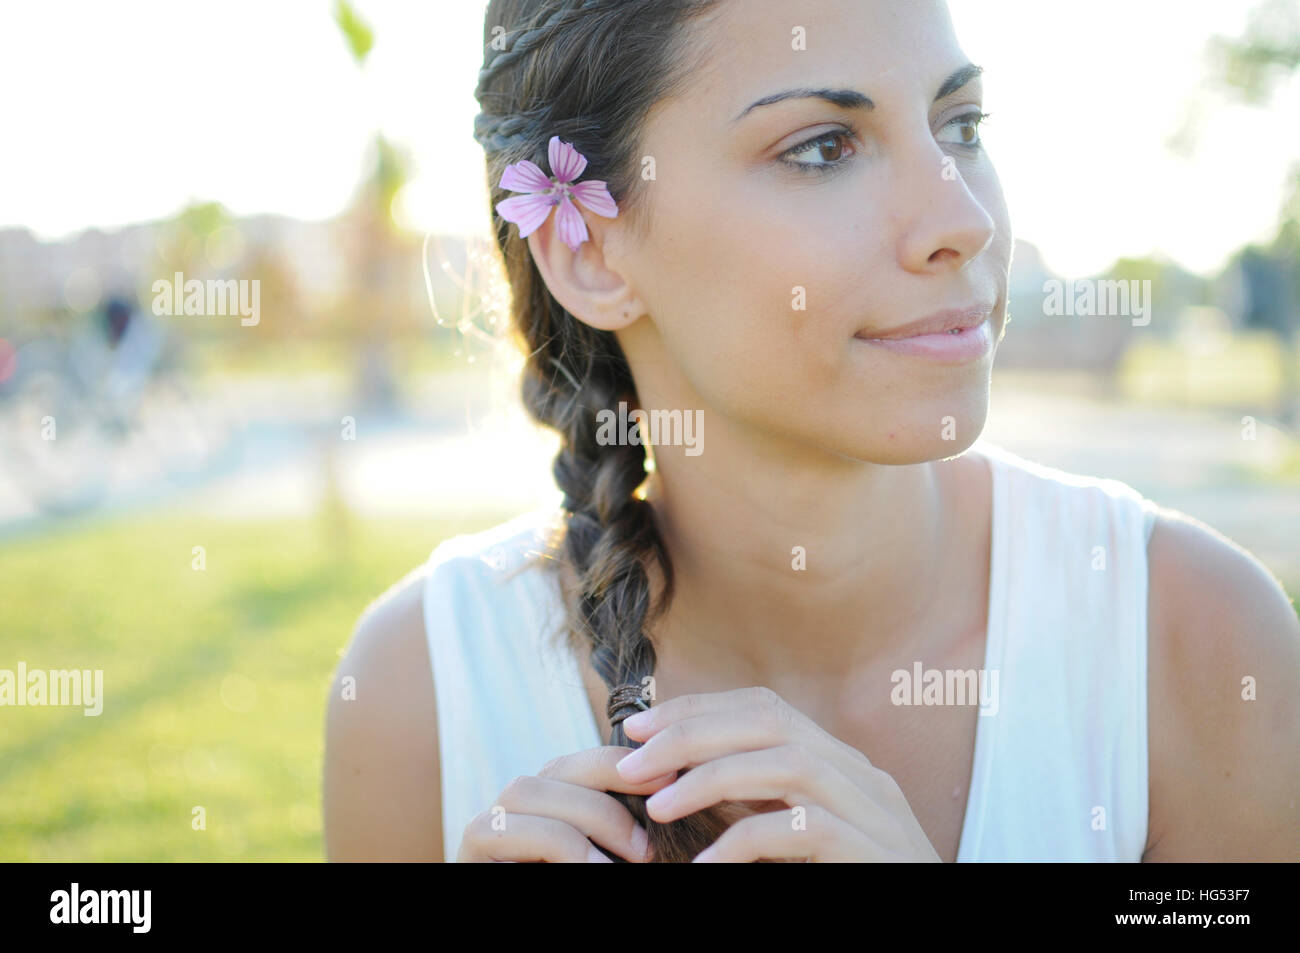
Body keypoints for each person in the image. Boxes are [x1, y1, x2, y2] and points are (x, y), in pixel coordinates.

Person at [323, 0, 1300, 862]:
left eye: (960, 123)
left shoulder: (1195, 638)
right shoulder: (424, 687)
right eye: (823, 146)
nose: (959, 220)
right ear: (589, 252)